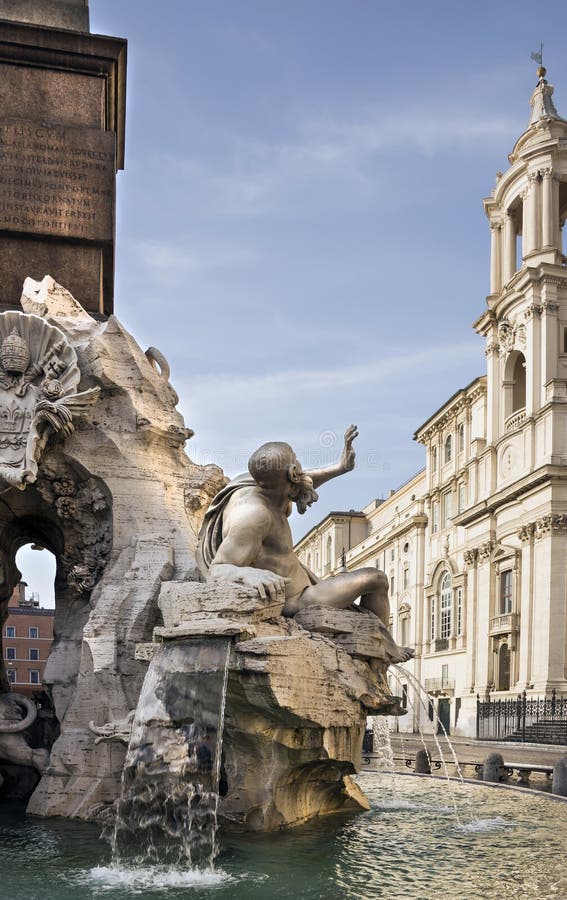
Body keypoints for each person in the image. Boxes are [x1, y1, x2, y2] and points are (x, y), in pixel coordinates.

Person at [197, 425, 414, 664]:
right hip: (297, 600)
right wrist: (247, 574)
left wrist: (340, 467)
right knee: (376, 579)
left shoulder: (262, 483)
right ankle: (384, 651)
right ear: (292, 472)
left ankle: (377, 645)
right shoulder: (254, 515)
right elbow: (218, 569)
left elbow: (303, 481)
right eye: (297, 463)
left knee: (370, 582)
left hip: (303, 580)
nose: (301, 470)